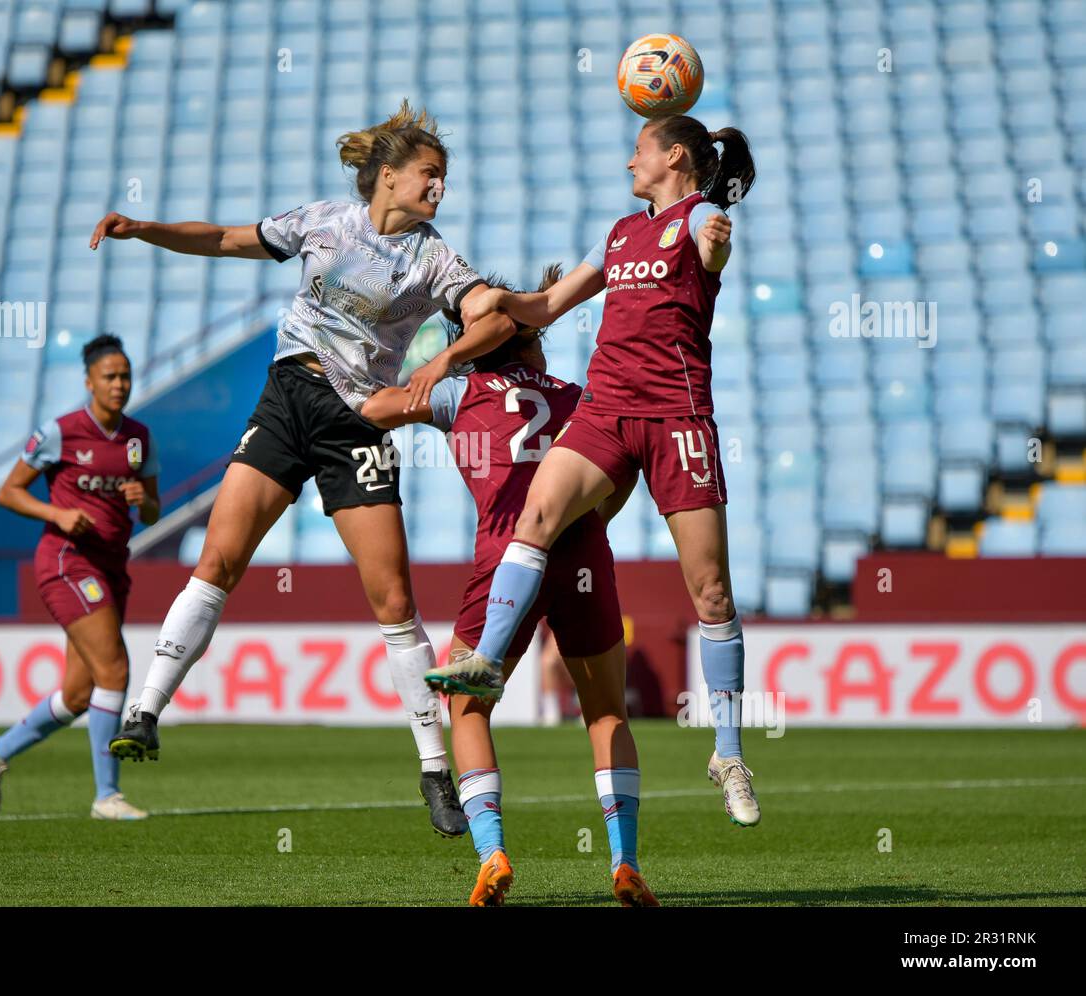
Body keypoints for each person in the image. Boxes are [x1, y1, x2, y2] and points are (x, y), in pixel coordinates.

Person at [86, 102, 515, 836]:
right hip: (288, 398)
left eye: (444, 178)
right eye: (429, 175)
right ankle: (146, 710)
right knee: (219, 557)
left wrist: (448, 353)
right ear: (387, 177)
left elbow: (494, 314)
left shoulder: (435, 256)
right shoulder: (323, 221)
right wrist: (143, 228)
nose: (440, 188)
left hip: (360, 422)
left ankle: (435, 771)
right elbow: (225, 237)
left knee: (392, 600)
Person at [423, 114, 763, 828]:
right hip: (605, 410)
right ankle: (486, 658)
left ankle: (728, 752)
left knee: (711, 590)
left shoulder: (701, 217)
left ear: (673, 156)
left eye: (639, 150)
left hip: (677, 419)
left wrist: (715, 245)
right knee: (536, 518)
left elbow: (710, 246)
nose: (627, 162)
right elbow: (549, 304)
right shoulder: (618, 234)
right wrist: (502, 303)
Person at [360, 267, 657, 906]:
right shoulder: (579, 397)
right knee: (606, 711)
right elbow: (627, 460)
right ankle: (624, 862)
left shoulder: (459, 394)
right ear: (529, 337)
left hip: (505, 561)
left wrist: (421, 362)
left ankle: (492, 852)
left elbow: (372, 408)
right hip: (582, 554)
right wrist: (595, 518)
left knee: (467, 706)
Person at [0, 334, 159, 820]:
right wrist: (56, 514)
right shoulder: (60, 432)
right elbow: (9, 493)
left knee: (78, 694)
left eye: (125, 376)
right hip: (67, 561)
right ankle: (107, 797)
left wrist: (146, 502)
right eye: (110, 377)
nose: (120, 385)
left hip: (113, 567)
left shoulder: (138, 438)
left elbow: (154, 513)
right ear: (89, 382)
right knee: (115, 670)